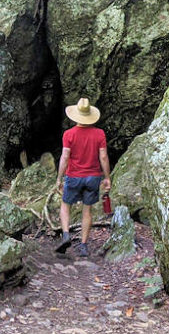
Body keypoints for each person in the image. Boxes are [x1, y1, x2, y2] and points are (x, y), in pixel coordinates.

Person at [55, 97, 111, 257]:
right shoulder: (99, 134)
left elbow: (65, 157)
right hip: (93, 177)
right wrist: (107, 177)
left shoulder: (69, 134)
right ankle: (84, 246)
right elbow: (104, 157)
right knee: (88, 210)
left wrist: (59, 178)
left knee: (65, 205)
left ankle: (66, 234)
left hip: (73, 176)